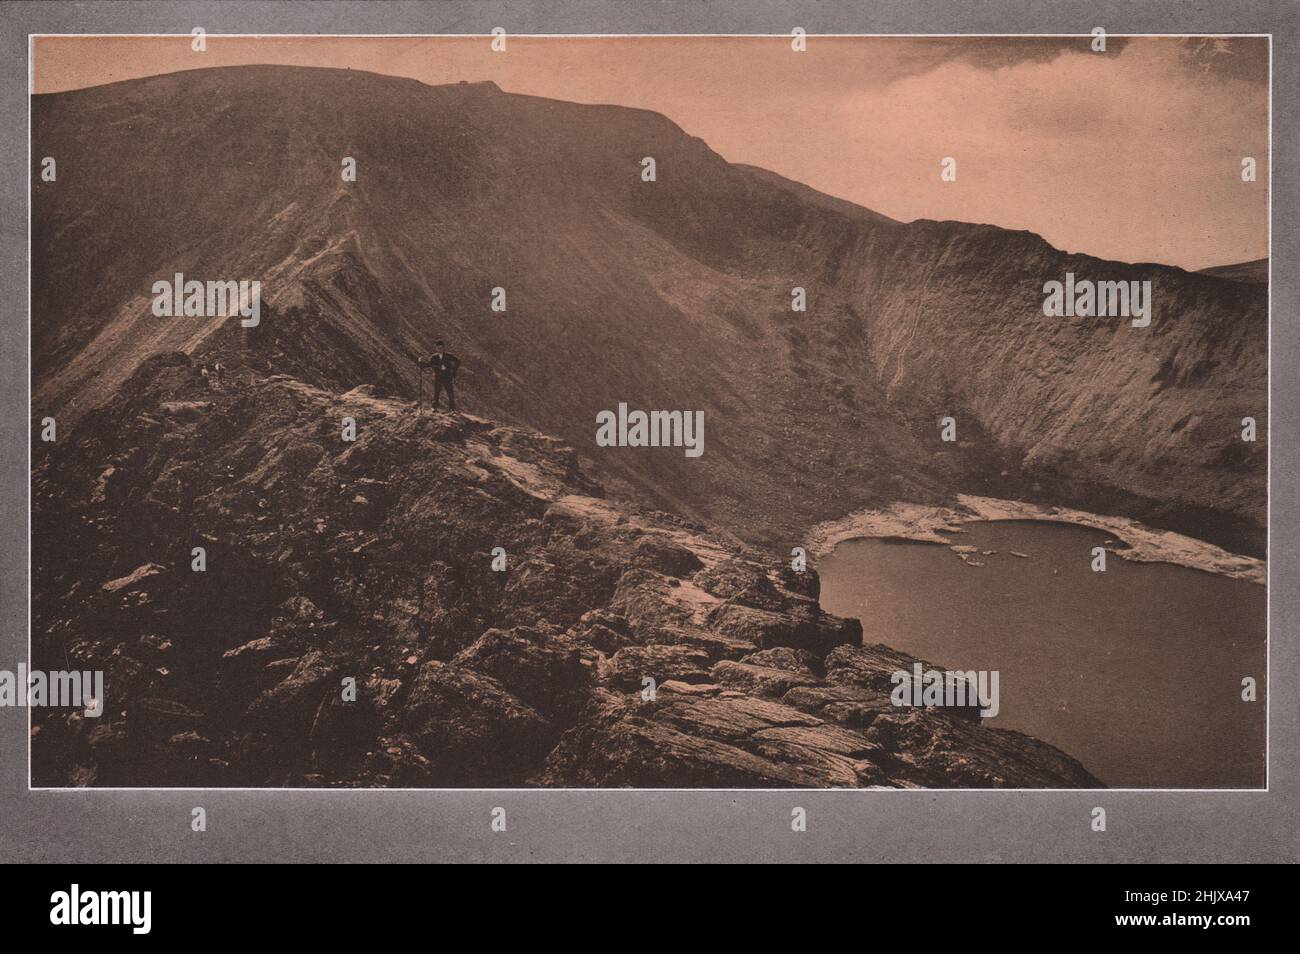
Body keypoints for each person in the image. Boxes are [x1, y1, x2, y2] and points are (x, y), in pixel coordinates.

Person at [416, 340, 462, 411]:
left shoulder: (449, 355)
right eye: (438, 348)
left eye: (441, 348)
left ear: (443, 348)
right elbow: (429, 364)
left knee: (450, 392)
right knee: (436, 392)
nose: (439, 349)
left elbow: (458, 361)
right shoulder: (434, 357)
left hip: (447, 376)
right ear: (436, 348)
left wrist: (453, 371)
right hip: (438, 377)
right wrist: (421, 364)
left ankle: (452, 409)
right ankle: (434, 407)